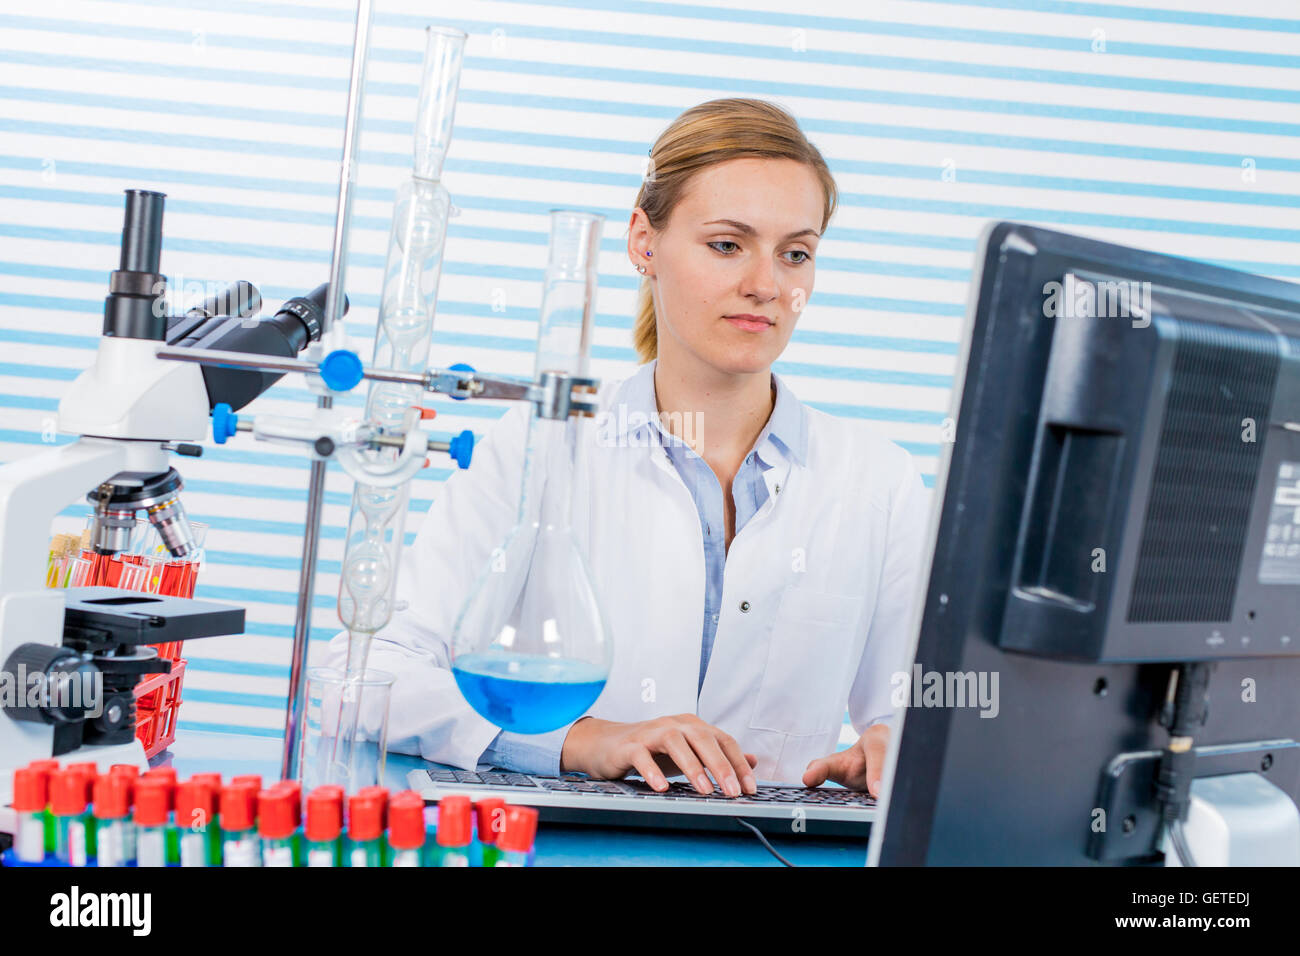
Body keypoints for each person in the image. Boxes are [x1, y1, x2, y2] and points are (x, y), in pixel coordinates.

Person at [325, 97, 928, 797]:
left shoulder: (877, 481)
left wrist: (894, 742)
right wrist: (581, 742)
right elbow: (362, 674)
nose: (767, 286)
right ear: (644, 242)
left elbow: (913, 703)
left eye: (795, 254)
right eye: (727, 245)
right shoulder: (543, 445)